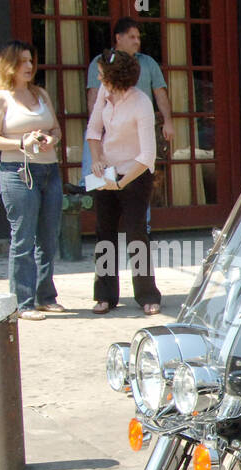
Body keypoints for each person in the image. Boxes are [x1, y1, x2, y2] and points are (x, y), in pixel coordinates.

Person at [0, 41, 64, 321]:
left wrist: (52, 138)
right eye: (23, 62)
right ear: (9, 65)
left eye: (31, 61)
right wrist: (22, 142)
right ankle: (23, 302)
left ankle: (46, 297)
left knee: (49, 237)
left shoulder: (39, 92)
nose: (29, 66)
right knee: (24, 237)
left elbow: (55, 127)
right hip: (19, 171)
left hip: (49, 170)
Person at [86, 50, 161, 315]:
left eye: (101, 73)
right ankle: (105, 295)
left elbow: (147, 155)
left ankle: (148, 294)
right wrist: (97, 160)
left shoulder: (140, 102)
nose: (97, 77)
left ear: (112, 77)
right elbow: (93, 131)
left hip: (136, 175)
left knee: (136, 234)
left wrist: (122, 182)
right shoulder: (104, 98)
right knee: (104, 233)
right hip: (108, 172)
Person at [83, 18, 173, 184]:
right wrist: (98, 129)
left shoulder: (148, 63)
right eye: (132, 37)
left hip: (138, 130)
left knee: (139, 181)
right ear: (118, 38)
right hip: (109, 132)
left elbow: (160, 94)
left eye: (138, 37)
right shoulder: (101, 63)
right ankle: (85, 188)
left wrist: (168, 120)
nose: (137, 42)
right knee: (98, 185)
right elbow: (93, 99)